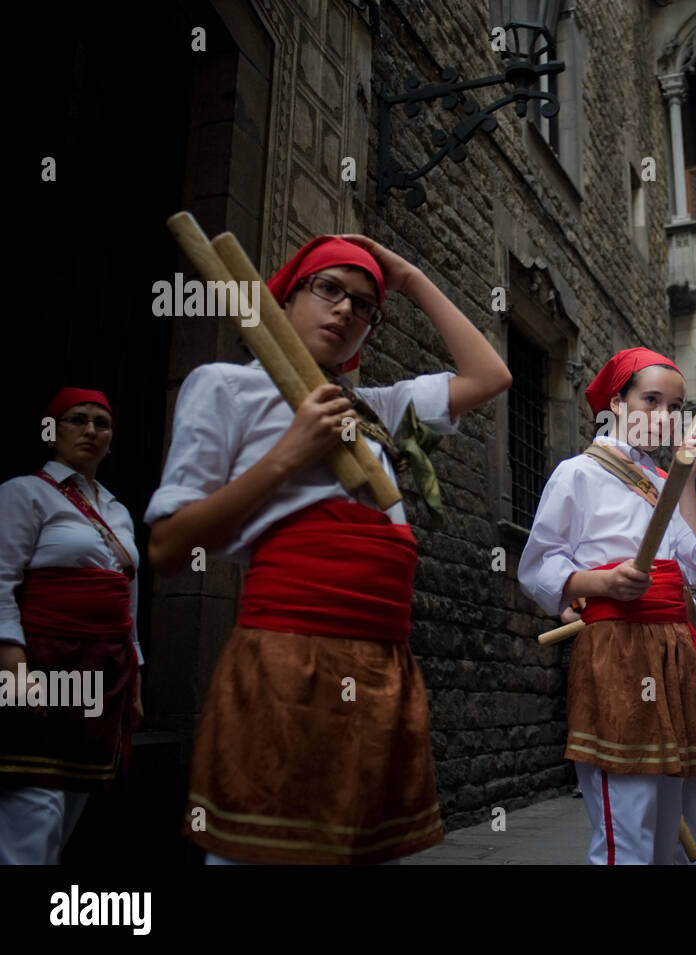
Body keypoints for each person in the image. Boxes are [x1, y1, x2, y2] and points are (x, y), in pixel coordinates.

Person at [145, 234, 512, 864]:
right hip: (288, 655)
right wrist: (291, 452)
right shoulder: (226, 386)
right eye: (329, 289)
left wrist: (410, 275)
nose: (345, 311)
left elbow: (491, 376)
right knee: (264, 847)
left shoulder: (377, 408)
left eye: (365, 306)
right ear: (287, 297)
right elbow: (167, 547)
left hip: (385, 665)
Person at [518, 347, 696, 865]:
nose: (664, 416)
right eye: (650, 400)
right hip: (620, 649)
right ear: (617, 403)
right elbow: (538, 567)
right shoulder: (578, 474)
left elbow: (693, 567)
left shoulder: (665, 479)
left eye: (675, 407)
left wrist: (690, 480)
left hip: (675, 650)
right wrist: (603, 582)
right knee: (625, 822)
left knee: (670, 821)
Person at [0, 388, 143, 863]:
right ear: (50, 431)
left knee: (71, 805)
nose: (90, 430)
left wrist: (135, 680)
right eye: (76, 420)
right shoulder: (24, 493)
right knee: (35, 803)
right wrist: (12, 661)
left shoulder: (118, 511)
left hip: (105, 672)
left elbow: (128, 602)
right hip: (44, 662)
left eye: (101, 423)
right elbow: (1, 579)